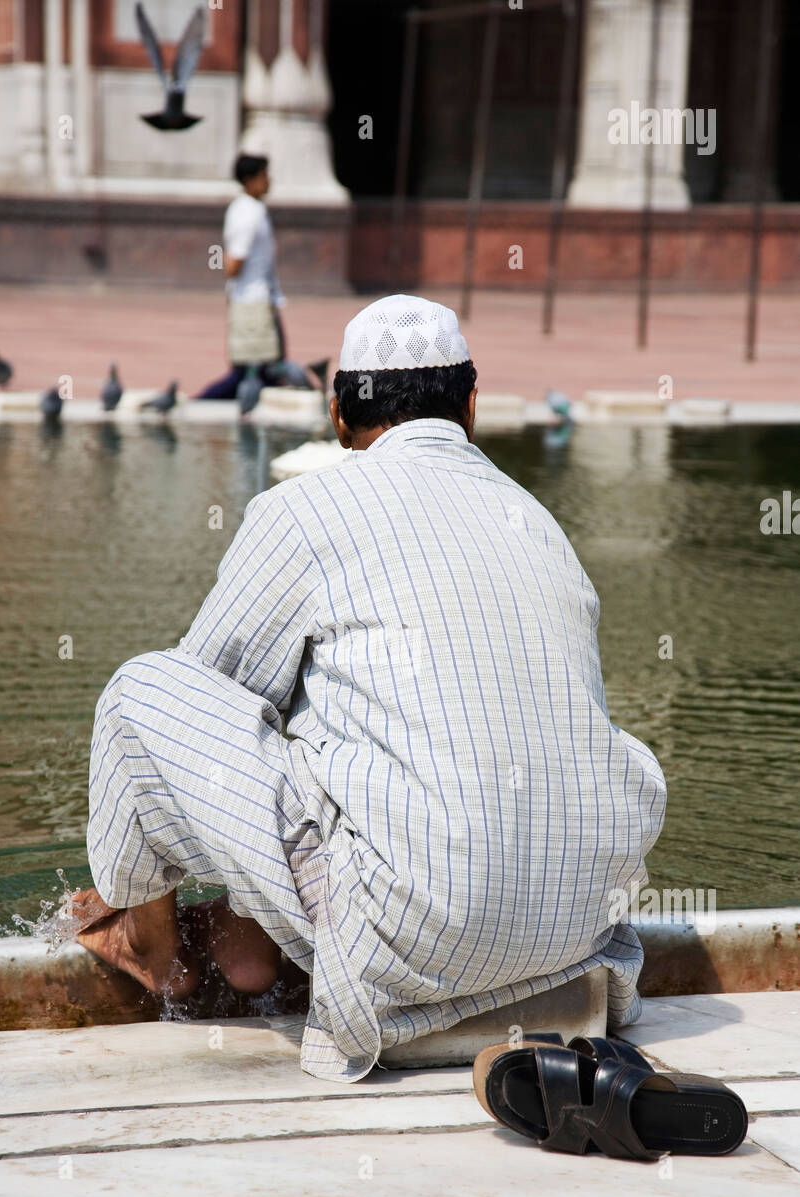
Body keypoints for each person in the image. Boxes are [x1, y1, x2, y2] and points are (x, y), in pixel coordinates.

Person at [73, 294, 667, 1084]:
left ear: (338, 415)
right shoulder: (538, 521)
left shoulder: (303, 510)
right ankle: (256, 940)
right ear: (472, 405)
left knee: (144, 692)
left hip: (415, 932)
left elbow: (207, 697)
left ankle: (153, 948)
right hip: (577, 927)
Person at [195, 152, 285, 403]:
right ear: (250, 179)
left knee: (259, 372)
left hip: (255, 299)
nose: (269, 181)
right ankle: (199, 403)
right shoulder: (248, 213)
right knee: (252, 373)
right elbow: (233, 264)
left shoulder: (252, 209)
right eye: (264, 175)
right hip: (251, 302)